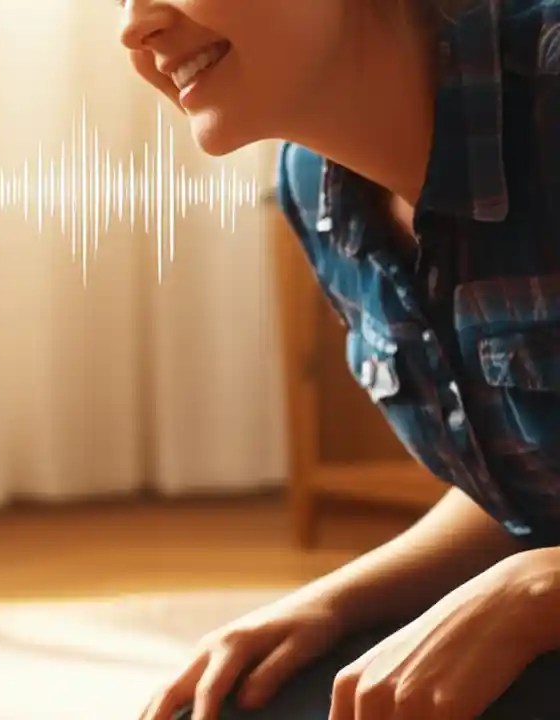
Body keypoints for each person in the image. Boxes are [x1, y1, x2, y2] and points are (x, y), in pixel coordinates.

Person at [118, 0, 560, 718]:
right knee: (236, 701)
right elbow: (533, 478)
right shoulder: (318, 191)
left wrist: (539, 591)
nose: (134, 27)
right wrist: (338, 602)